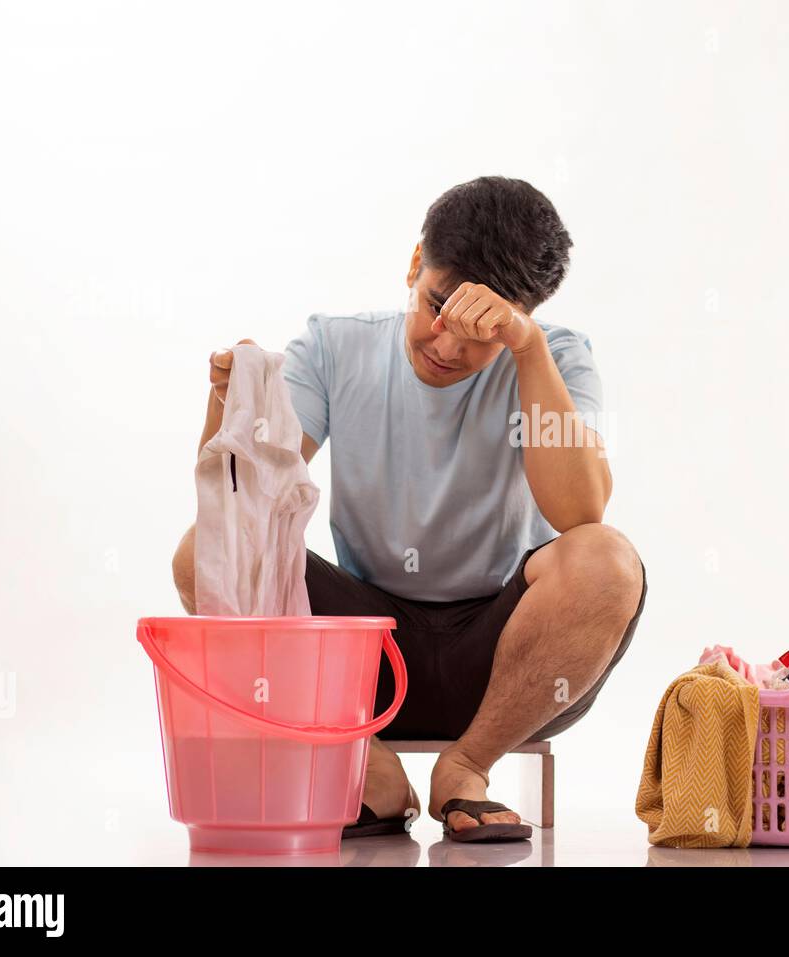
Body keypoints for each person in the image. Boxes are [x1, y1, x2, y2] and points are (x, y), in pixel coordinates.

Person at [171, 176, 646, 842]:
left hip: (506, 661)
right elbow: (238, 515)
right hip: (360, 658)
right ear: (414, 262)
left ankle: (467, 767)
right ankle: (368, 767)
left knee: (608, 560)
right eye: (437, 306)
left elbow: (581, 510)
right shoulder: (334, 346)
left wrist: (528, 349)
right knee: (202, 551)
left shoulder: (557, 355)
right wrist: (227, 408)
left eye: (485, 331)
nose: (448, 346)